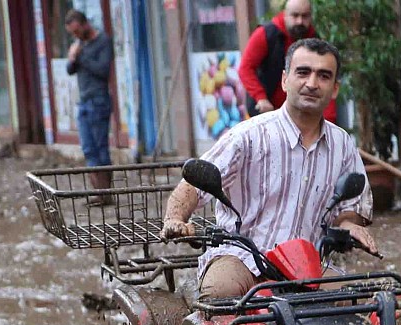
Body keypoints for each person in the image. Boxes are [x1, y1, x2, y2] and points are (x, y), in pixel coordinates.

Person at [161, 39, 375, 299]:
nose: (312, 83)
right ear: (285, 80)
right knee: (221, 295)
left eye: (323, 76)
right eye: (303, 72)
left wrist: (350, 225)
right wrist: (175, 220)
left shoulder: (342, 144)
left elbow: (350, 208)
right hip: (241, 257)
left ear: (335, 89)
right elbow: (193, 185)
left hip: (308, 265)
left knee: (358, 304)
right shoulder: (249, 135)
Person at [239, 0, 337, 124]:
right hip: (265, 111)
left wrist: (329, 121)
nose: (300, 21)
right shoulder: (266, 34)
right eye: (295, 15)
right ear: (285, 14)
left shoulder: (315, 39)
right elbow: (245, 69)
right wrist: (261, 98)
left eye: (305, 16)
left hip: (300, 114)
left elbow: (325, 79)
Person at [64, 9, 114, 194]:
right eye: (72, 33)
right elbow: (70, 69)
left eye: (77, 31)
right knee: (88, 149)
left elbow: (103, 70)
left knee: (101, 148)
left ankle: (107, 191)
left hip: (99, 100)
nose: (76, 36)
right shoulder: (79, 44)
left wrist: (81, 57)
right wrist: (72, 57)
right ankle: (97, 192)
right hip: (84, 101)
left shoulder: (103, 41)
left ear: (85, 24)